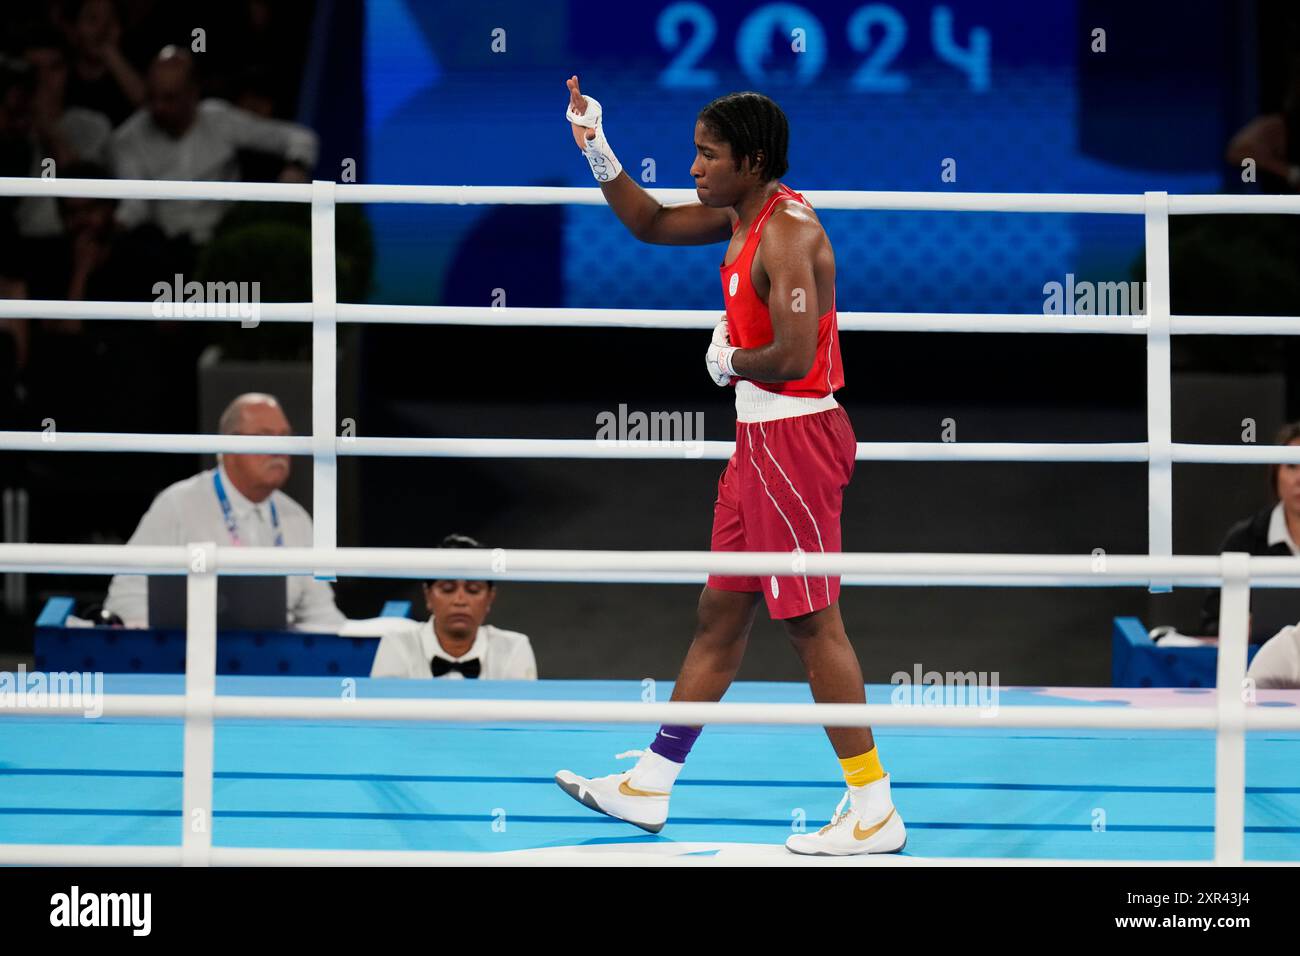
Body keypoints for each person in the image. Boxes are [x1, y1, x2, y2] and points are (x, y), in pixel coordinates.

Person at [552, 77, 904, 855]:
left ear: (752, 162)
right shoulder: (742, 214)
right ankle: (650, 784)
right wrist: (597, 144)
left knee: (811, 622)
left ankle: (874, 808)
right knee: (721, 611)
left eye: (708, 155)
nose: (693, 168)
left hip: (796, 443)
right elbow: (648, 222)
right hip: (757, 446)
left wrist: (729, 360)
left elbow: (795, 355)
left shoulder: (787, 234)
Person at [103, 392, 346, 631]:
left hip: (273, 651)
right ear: (229, 445)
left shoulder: (297, 518)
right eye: (265, 437)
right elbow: (126, 598)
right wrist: (174, 643)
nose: (279, 449)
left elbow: (321, 613)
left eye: (285, 437)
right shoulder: (177, 505)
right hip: (192, 649)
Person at [110, 46, 318, 245]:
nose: (158, 107)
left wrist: (296, 166)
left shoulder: (220, 119)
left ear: (193, 93)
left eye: (169, 98)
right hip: (164, 246)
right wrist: (112, 227)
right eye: (152, 97)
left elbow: (301, 138)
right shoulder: (128, 138)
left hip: (225, 239)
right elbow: (135, 206)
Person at [369, 534, 537, 680]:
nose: (460, 600)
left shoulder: (513, 648)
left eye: (473, 589)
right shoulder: (397, 645)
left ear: (490, 597)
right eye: (448, 589)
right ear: (428, 595)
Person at [1200, 421, 1300, 642]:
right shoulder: (1244, 539)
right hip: (1258, 659)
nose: (1299, 480)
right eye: (1292, 466)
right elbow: (1211, 622)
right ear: (1275, 473)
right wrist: (1237, 627)